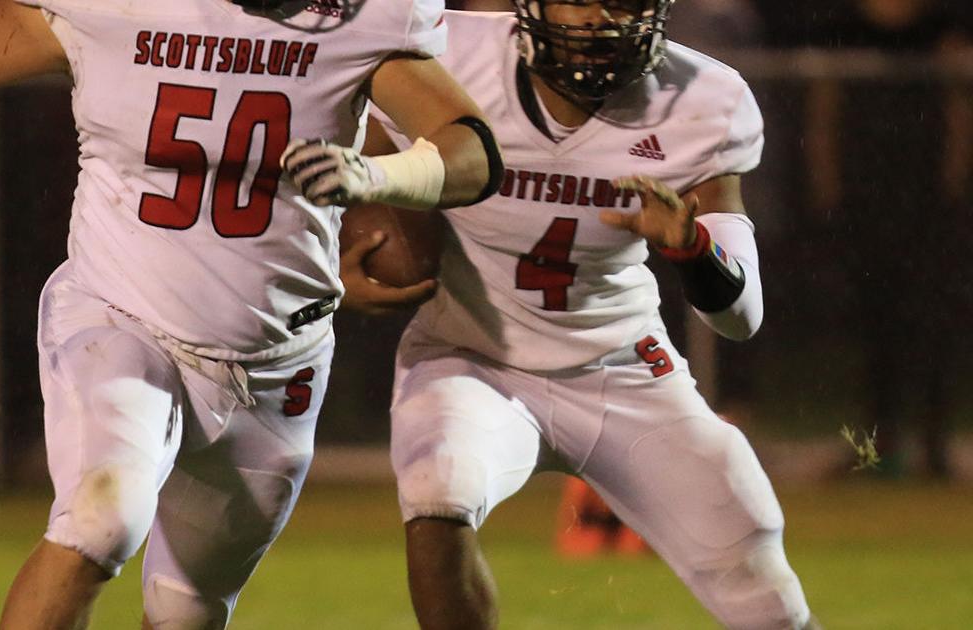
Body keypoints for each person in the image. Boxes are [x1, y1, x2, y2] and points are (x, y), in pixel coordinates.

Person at [0, 0, 502, 627]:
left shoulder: (357, 18)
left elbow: (473, 151)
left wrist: (378, 175)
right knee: (101, 519)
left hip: (278, 366)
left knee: (187, 610)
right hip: (120, 316)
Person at [341, 1, 820, 627]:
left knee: (760, 578)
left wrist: (692, 248)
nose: (598, 17)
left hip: (619, 363)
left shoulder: (705, 98)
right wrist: (334, 256)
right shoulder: (445, 52)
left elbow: (740, 317)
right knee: (438, 489)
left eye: (621, 0)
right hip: (472, 353)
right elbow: (361, 166)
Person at [804, 0, 972, 478]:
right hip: (866, 200)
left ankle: (935, 449)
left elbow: (958, 113)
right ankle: (877, 451)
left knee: (935, 325)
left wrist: (953, 185)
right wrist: (828, 186)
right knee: (875, 328)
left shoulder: (942, 27)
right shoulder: (845, 27)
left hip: (926, 199)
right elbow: (824, 110)